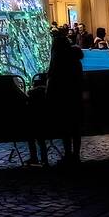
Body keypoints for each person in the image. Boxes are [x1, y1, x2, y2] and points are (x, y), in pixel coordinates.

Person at [45, 31, 84, 167]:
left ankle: (68, 154)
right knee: (75, 129)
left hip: (62, 99)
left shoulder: (57, 63)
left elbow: (52, 83)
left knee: (66, 129)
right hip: (75, 98)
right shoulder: (75, 61)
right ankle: (76, 155)